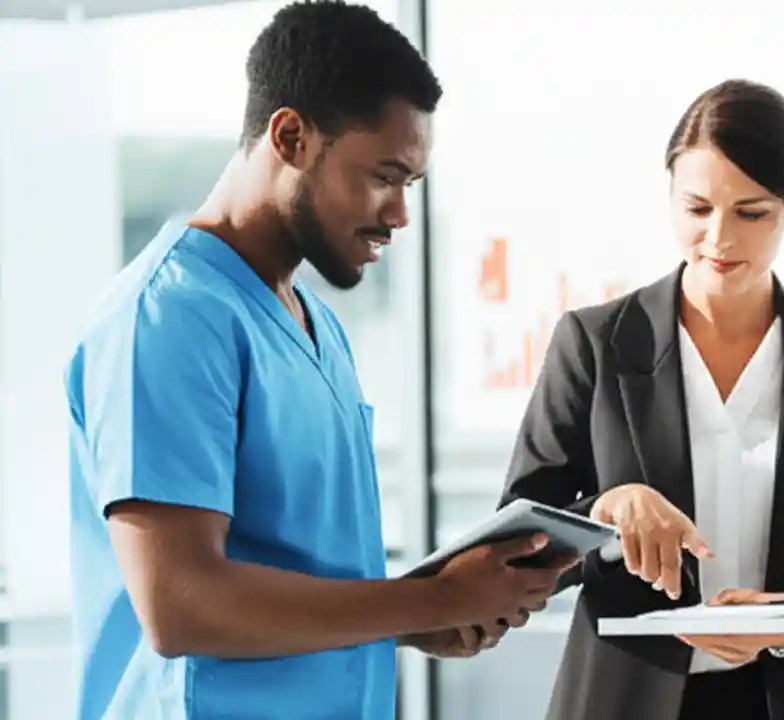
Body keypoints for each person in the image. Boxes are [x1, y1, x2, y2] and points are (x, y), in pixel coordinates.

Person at [64, 3, 576, 718]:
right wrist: (429, 597)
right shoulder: (171, 316)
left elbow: (293, 574)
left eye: (411, 186)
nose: (399, 213)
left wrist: (417, 617)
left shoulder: (319, 329)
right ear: (292, 136)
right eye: (384, 176)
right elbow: (179, 605)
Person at [499, 78, 784, 720]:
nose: (719, 238)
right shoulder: (593, 342)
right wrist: (608, 508)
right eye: (696, 209)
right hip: (621, 700)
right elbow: (517, 539)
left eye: (751, 213)